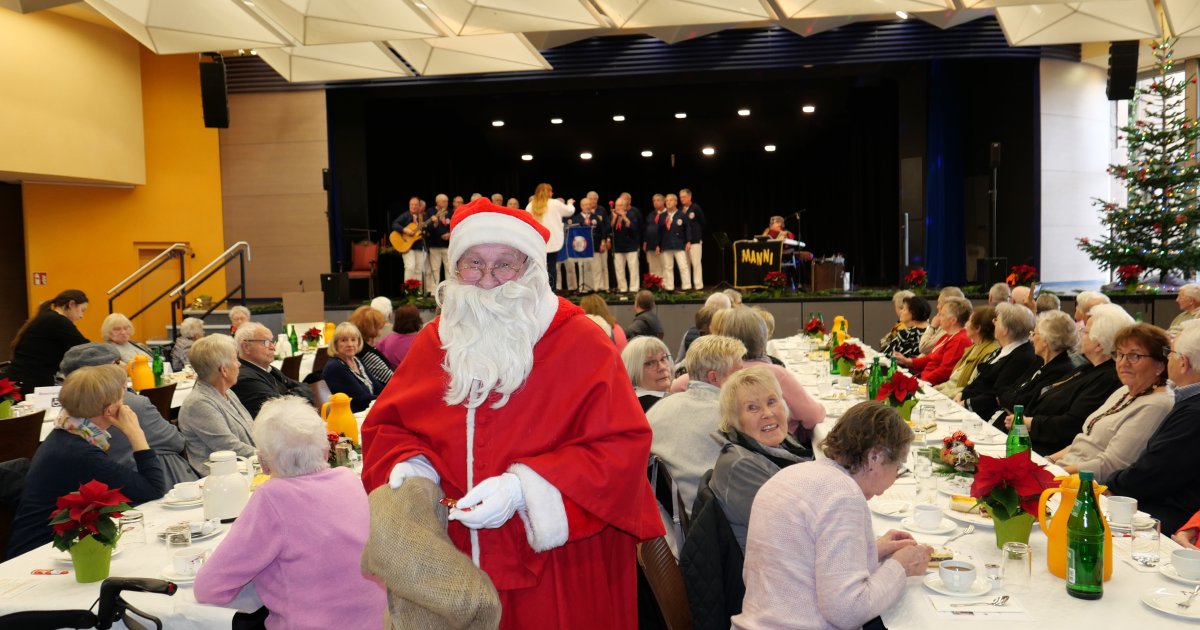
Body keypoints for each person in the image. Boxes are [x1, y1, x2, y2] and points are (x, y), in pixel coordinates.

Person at [360, 199, 663, 628]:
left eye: (505, 264)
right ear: (455, 270)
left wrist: (524, 490)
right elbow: (389, 427)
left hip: (557, 565)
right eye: (473, 264)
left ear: (532, 270)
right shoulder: (435, 341)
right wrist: (412, 466)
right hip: (455, 568)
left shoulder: (580, 342)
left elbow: (622, 447)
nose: (487, 279)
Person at [732, 401, 932, 629]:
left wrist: (870, 550)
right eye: (898, 464)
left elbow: (807, 560)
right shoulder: (843, 496)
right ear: (874, 457)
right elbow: (847, 611)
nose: (896, 474)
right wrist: (900, 566)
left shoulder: (797, 474)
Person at [194, 396, 386, 628]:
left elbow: (209, 588)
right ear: (326, 451)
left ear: (263, 463)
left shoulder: (272, 497)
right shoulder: (349, 479)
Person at [6, 364, 166, 558]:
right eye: (122, 397)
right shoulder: (78, 452)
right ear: (110, 410)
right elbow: (153, 489)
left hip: (56, 544)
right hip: (38, 554)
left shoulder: (67, 434)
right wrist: (136, 434)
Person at [672, 308, 826, 438]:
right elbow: (812, 416)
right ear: (762, 337)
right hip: (770, 448)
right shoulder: (774, 374)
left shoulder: (688, 380)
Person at [1048, 323, 1172, 483]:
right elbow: (1085, 441)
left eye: (1134, 356)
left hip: (1087, 484)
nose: (1123, 362)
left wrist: (1054, 474)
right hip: (1066, 471)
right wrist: (1048, 461)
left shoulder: (1157, 405)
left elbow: (1111, 466)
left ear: (1160, 364)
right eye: (1120, 354)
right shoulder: (1124, 391)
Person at [59, 344, 195, 489]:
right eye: (117, 362)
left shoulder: (67, 412)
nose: (124, 365)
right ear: (104, 372)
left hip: (99, 490)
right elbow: (177, 442)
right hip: (143, 485)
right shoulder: (129, 405)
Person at [1107, 324, 1200, 534]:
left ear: (1183, 363)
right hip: (1161, 502)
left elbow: (1154, 472)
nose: (1168, 359)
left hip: (1167, 514)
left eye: (1172, 354)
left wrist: (1111, 485)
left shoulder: (1194, 411)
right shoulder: (1189, 403)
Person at [709, 367, 814, 551]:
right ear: (735, 419)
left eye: (772, 401)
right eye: (753, 407)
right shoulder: (741, 465)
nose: (767, 413)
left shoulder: (782, 444)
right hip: (773, 569)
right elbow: (789, 534)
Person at [648, 335, 745, 518]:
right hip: (719, 522)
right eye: (738, 373)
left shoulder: (657, 409)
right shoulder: (732, 417)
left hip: (673, 521)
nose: (744, 379)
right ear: (714, 377)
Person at [1009, 304, 1127, 453]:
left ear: (1098, 344)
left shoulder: (1107, 378)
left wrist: (1030, 422)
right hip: (1032, 440)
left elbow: (1074, 424)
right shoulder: (1088, 368)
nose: (1080, 333)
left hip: (1049, 451)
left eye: (1085, 331)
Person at [179, 334, 256, 473]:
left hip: (246, 467)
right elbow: (229, 447)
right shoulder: (199, 404)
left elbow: (251, 429)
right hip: (220, 477)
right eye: (235, 360)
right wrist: (270, 457)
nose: (239, 364)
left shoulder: (227, 392)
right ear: (224, 370)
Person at [992, 309, 1080, 424]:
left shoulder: (1061, 370)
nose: (1031, 339)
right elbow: (1010, 388)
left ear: (1046, 341)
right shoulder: (1039, 361)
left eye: (1034, 334)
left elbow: (1024, 404)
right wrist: (1008, 398)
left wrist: (1006, 399)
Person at [958, 303, 1040, 419]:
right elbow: (981, 379)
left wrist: (966, 404)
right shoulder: (1003, 349)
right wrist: (963, 394)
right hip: (973, 408)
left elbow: (997, 394)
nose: (993, 322)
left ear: (1005, 330)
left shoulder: (1022, 357)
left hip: (987, 415)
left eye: (996, 320)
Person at [6, 289, 89, 394]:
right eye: (82, 310)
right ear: (71, 304)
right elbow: (86, 349)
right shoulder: (58, 321)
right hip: (29, 383)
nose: (82, 316)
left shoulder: (48, 317)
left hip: (21, 379)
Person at [231, 323, 315, 418]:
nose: (273, 347)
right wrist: (292, 394)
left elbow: (305, 387)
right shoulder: (244, 378)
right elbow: (282, 411)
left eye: (272, 342)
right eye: (266, 342)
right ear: (246, 347)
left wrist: (288, 396)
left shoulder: (268, 368)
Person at [895, 296, 973, 385]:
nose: (938, 318)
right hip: (925, 380)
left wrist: (920, 383)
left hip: (932, 386)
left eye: (942, 315)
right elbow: (930, 358)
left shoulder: (959, 340)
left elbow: (944, 372)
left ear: (953, 320)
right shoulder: (948, 336)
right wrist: (908, 361)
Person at [936, 306, 998, 398]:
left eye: (969, 320)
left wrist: (940, 394)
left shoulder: (989, 352)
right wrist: (936, 388)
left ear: (977, 328)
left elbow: (969, 388)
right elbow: (953, 381)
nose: (965, 324)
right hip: (949, 394)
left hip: (956, 399)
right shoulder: (975, 347)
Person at [321, 322, 385, 413]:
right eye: (344, 340)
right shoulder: (335, 367)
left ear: (358, 342)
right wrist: (388, 400)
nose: (350, 344)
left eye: (353, 340)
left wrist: (392, 395)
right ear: (335, 344)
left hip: (367, 410)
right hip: (350, 416)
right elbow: (361, 398)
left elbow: (377, 387)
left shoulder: (357, 360)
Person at [526, 183, 575, 293]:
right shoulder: (555, 203)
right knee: (552, 266)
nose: (552, 193)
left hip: (537, 241)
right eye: (551, 191)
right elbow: (569, 211)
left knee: (538, 267)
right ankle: (551, 291)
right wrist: (570, 203)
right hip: (552, 241)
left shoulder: (530, 205)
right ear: (548, 192)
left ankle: (538, 290)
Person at [623, 336, 672, 412]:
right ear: (634, 373)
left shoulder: (628, 401)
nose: (662, 367)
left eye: (663, 359)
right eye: (650, 363)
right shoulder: (653, 407)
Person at [349, 306, 395, 386]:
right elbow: (391, 379)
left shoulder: (363, 347)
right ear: (371, 327)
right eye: (379, 325)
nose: (382, 326)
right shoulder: (366, 353)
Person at [393, 196, 431, 291]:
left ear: (419, 206)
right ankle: (408, 291)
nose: (414, 206)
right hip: (407, 247)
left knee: (419, 269)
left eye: (416, 205)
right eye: (412, 205)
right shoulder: (405, 215)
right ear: (409, 205)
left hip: (419, 246)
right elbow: (395, 224)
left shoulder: (423, 216)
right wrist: (404, 230)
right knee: (410, 266)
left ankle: (416, 292)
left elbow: (428, 230)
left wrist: (433, 223)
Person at [657, 193, 692, 292]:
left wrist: (688, 241)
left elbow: (687, 229)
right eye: (667, 200)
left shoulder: (681, 215)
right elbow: (659, 231)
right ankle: (669, 287)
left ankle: (687, 286)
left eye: (671, 200)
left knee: (683, 266)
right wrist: (658, 245)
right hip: (666, 244)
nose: (668, 202)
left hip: (679, 244)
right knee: (668, 267)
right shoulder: (662, 216)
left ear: (676, 202)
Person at [610, 196, 643, 293]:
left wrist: (624, 217)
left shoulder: (632, 214)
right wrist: (615, 218)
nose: (618, 207)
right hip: (617, 246)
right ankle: (622, 288)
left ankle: (634, 289)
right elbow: (609, 229)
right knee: (619, 269)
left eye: (620, 205)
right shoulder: (612, 215)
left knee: (633, 268)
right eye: (616, 205)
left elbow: (634, 229)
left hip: (631, 246)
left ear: (625, 207)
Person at [918, 286, 963, 354]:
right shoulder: (944, 325)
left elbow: (923, 347)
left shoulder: (950, 329)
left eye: (939, 303)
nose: (937, 306)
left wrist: (932, 327)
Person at [680, 188, 705, 289]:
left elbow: (703, 222)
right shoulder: (680, 209)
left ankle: (698, 285)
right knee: (686, 264)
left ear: (690, 197)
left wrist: (696, 233)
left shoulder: (695, 208)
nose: (682, 199)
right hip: (684, 241)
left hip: (695, 240)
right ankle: (687, 286)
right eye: (680, 197)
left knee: (696, 263)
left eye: (684, 197)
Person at [427, 193, 454, 285]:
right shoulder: (430, 211)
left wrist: (450, 234)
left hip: (447, 245)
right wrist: (435, 224)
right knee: (435, 268)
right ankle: (434, 291)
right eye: (443, 201)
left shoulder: (450, 212)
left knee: (449, 268)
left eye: (447, 201)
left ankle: (449, 289)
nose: (446, 203)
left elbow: (454, 225)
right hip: (435, 244)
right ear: (437, 202)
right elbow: (428, 228)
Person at [644, 194, 666, 280]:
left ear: (663, 201)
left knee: (664, 266)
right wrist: (645, 241)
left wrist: (659, 245)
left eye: (658, 200)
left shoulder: (667, 214)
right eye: (654, 201)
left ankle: (665, 285)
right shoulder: (651, 215)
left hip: (663, 245)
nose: (655, 203)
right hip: (650, 245)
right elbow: (646, 229)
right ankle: (655, 285)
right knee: (652, 266)